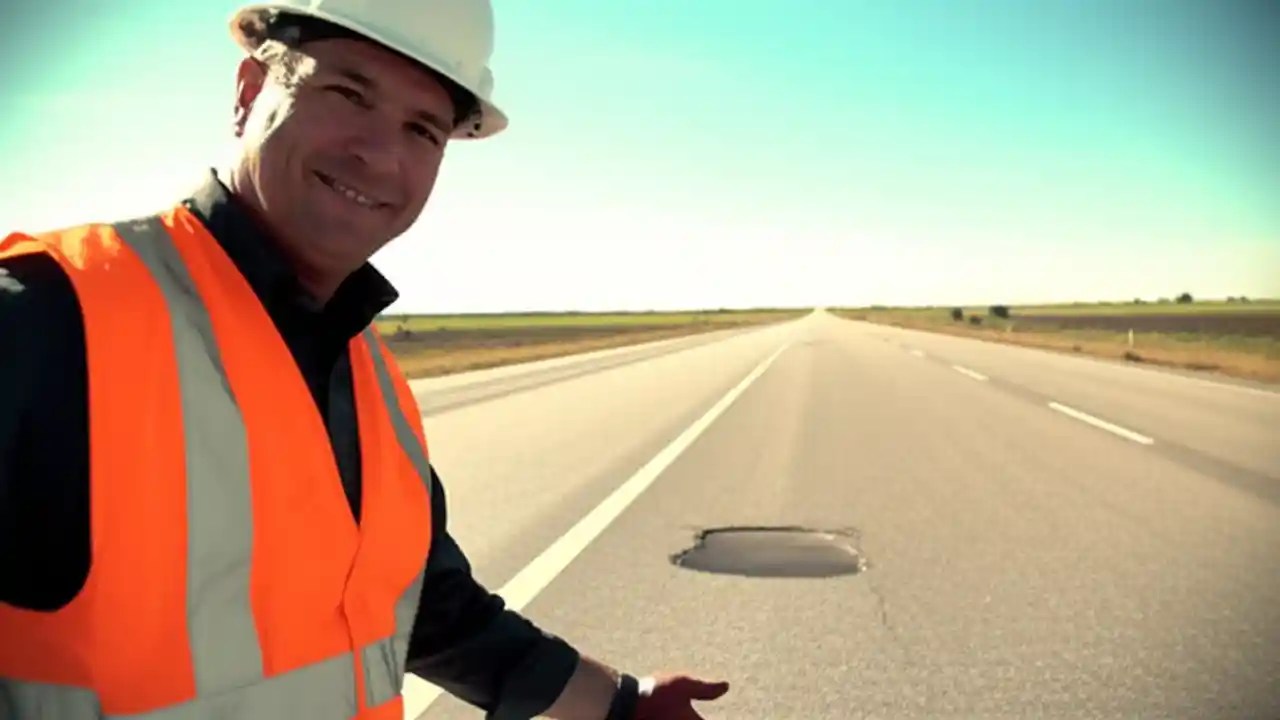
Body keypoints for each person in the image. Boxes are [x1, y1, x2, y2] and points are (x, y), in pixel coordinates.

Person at [0, 1, 731, 718]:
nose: (380, 154)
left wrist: (623, 706)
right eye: (348, 94)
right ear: (251, 90)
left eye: (423, 129)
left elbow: (423, 606)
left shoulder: (365, 374)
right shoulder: (48, 319)